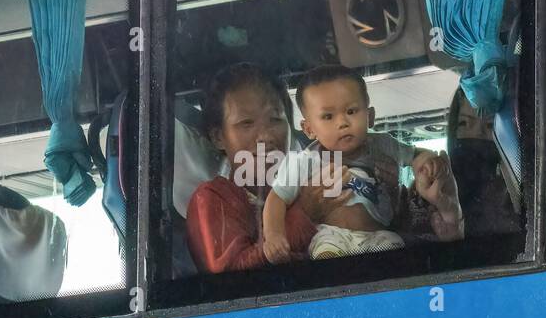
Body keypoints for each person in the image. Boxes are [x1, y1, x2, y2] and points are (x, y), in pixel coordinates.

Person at [263, 65, 461, 261]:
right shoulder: (303, 161)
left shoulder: (383, 145)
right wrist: (273, 236)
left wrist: (428, 164)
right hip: (332, 235)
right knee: (326, 257)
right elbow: (276, 199)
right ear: (309, 129)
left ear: (370, 116)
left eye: (351, 111)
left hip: (377, 235)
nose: (342, 122)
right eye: (328, 116)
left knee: (396, 253)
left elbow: (416, 154)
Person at [185, 63, 353, 273]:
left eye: (275, 119)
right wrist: (305, 213)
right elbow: (231, 280)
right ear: (218, 136)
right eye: (246, 123)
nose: (265, 136)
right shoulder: (211, 199)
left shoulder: (313, 179)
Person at [446, 87, 521, 236]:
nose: (476, 134)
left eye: (489, 125)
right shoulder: (436, 188)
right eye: (464, 123)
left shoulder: (520, 192)